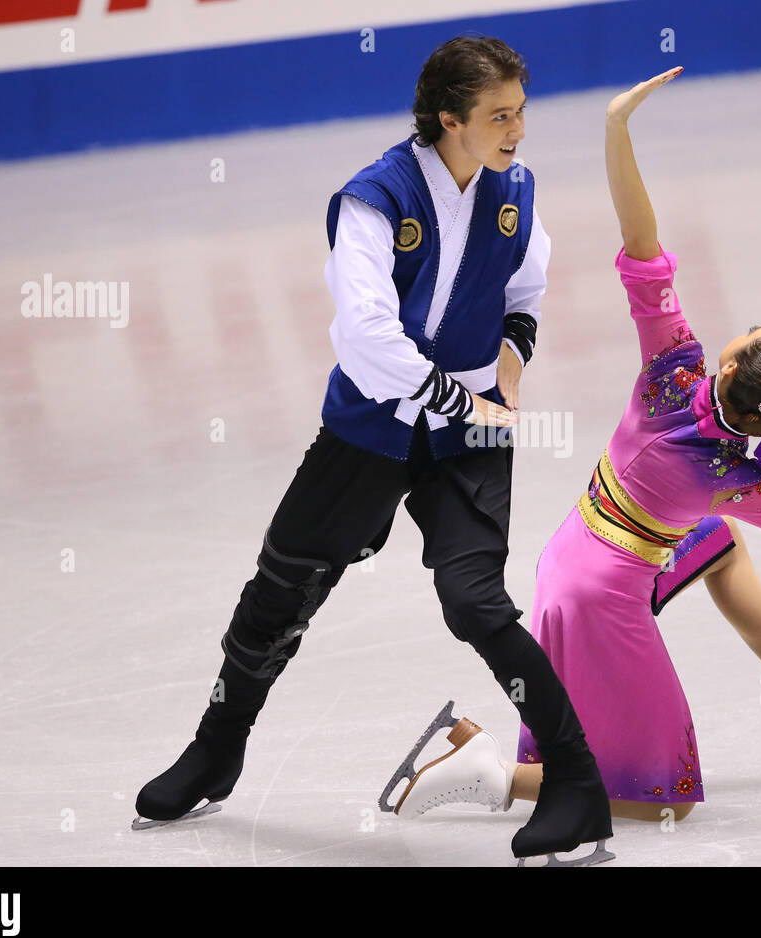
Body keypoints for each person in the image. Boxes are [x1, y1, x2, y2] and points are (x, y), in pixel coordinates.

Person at [390, 66, 761, 823]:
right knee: (655, 798)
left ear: (729, 365)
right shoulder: (738, 474)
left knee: (716, 538)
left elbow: (643, 242)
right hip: (595, 600)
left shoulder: (672, 366)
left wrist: (616, 129)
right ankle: (482, 771)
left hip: (584, 553)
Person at [133, 35, 613, 865]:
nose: (518, 131)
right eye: (501, 116)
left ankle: (576, 782)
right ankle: (218, 745)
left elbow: (523, 290)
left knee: (474, 601)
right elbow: (365, 335)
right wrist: (452, 397)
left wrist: (513, 358)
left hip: (468, 430)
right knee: (282, 588)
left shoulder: (515, 189)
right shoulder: (375, 199)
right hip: (374, 421)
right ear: (448, 119)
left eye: (521, 112)